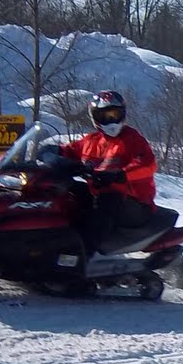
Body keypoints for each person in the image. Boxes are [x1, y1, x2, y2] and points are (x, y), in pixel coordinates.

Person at [60, 89, 158, 251]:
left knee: (106, 202)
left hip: (135, 202)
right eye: (104, 116)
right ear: (95, 118)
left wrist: (120, 175)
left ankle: (84, 255)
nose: (111, 120)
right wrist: (51, 152)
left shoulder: (133, 139)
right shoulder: (91, 141)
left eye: (114, 115)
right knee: (67, 192)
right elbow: (69, 151)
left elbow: (147, 164)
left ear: (123, 114)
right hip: (102, 194)